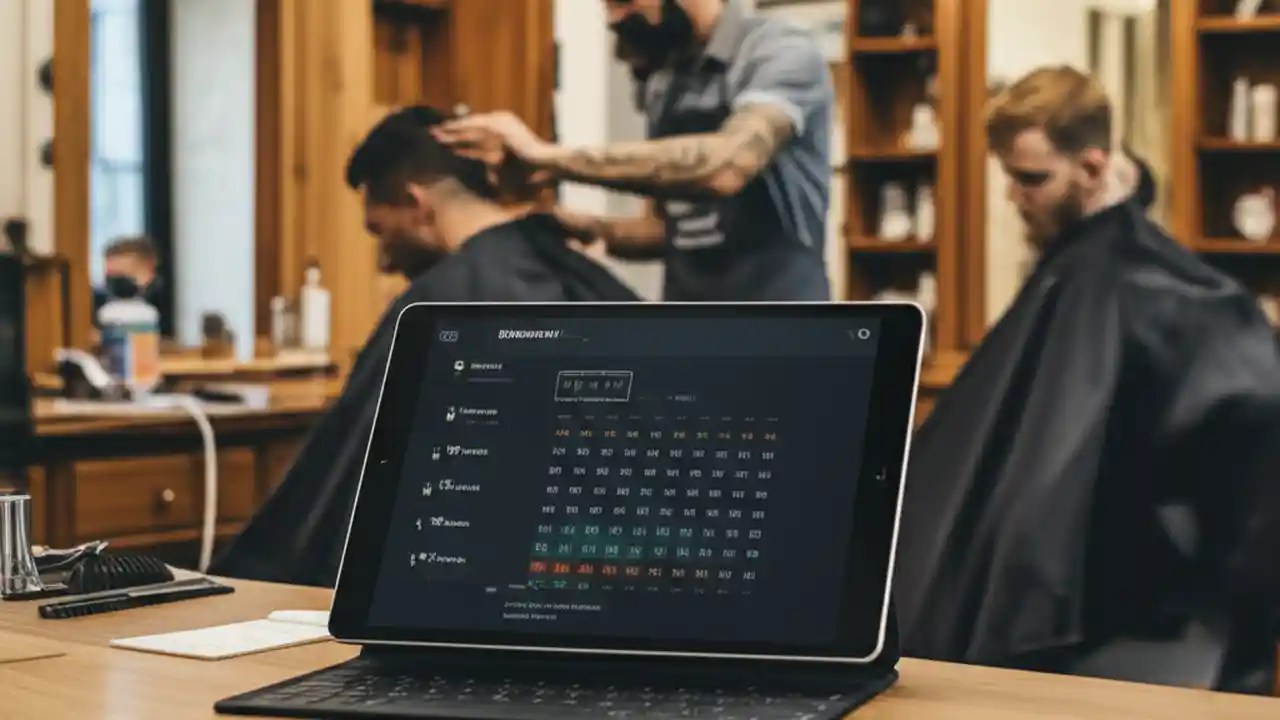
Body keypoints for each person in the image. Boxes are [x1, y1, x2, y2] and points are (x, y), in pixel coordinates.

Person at [894, 67, 1280, 691]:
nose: (1015, 197)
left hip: (1129, 627)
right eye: (1010, 178)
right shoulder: (1076, 270)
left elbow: (1253, 408)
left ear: (1095, 167)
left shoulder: (1153, 289)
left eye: (1032, 180)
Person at [212, 107, 639, 586]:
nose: (385, 260)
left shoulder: (439, 307)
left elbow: (326, 507)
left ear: (416, 202)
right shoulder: (581, 276)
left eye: (380, 231)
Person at [433, 0, 834, 302]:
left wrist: (548, 156)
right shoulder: (663, 80)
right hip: (693, 336)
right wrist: (586, 228)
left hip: (783, 331)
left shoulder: (778, 53)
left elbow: (725, 167)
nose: (612, 17)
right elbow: (667, 229)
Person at [93, 235, 170, 336]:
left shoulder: (168, 305)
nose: (117, 285)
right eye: (110, 278)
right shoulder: (98, 306)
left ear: (149, 270)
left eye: (123, 276)